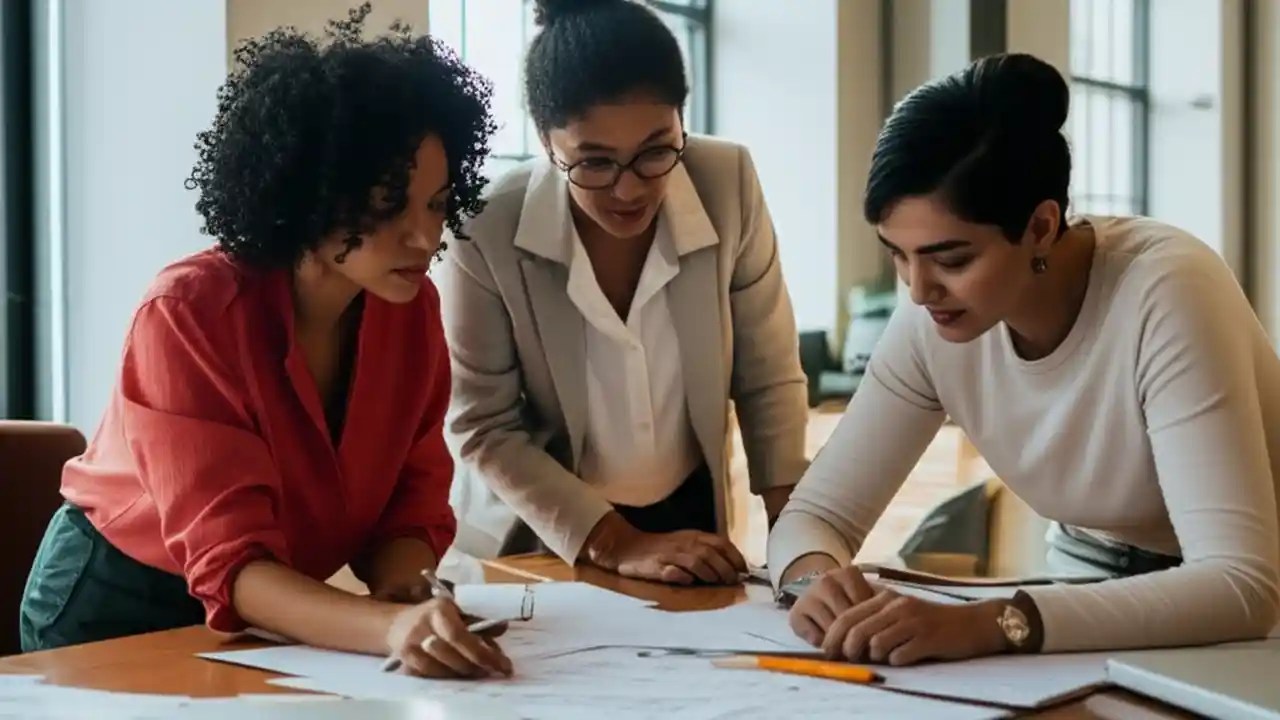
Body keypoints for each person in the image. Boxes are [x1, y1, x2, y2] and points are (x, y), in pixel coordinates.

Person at [19, 5, 513, 679]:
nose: (424, 237)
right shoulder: (188, 312)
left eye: (435, 203)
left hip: (264, 607)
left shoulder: (411, 306)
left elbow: (410, 504)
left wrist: (410, 593)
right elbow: (234, 562)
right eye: (387, 204)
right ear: (313, 191)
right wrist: (389, 627)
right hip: (113, 602)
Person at [769, 53, 1280, 664]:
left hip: (1251, 619)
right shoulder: (929, 320)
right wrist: (813, 579)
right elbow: (816, 515)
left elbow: (1240, 584)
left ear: (1041, 226)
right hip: (1085, 582)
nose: (918, 289)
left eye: (952, 260)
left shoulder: (1167, 292)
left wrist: (991, 623)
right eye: (897, 255)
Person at [436, 0, 809, 585]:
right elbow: (483, 426)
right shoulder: (485, 229)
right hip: (537, 534)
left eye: (657, 151)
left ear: (681, 120)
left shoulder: (727, 181)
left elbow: (767, 375)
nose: (629, 188)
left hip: (689, 516)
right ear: (546, 141)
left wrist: (799, 540)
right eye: (595, 162)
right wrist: (614, 541)